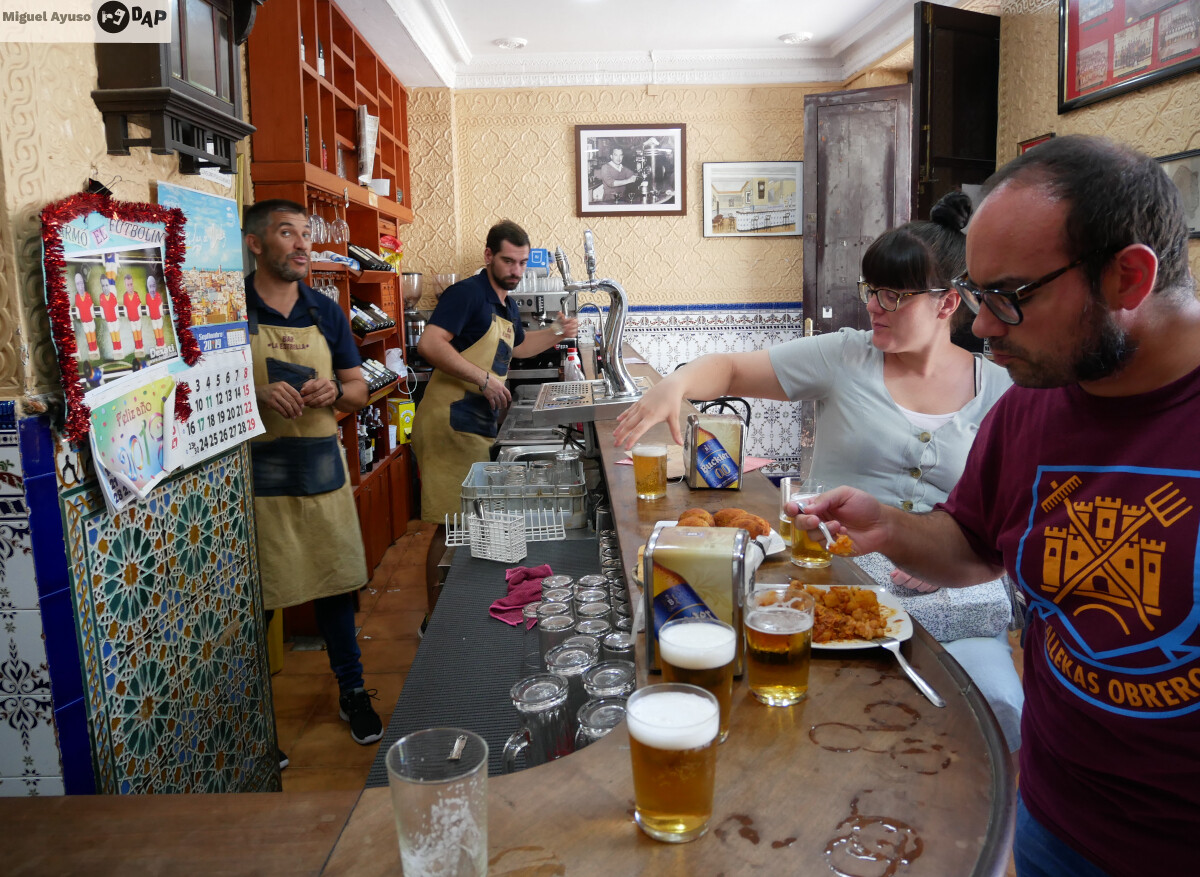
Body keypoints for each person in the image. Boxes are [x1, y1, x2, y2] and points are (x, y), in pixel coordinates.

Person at [799, 136, 1199, 877]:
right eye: (977, 297)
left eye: (1009, 297)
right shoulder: (1031, 408)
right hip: (1050, 823)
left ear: (1129, 277)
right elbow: (974, 542)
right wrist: (890, 526)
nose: (980, 327)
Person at [613, 192, 1024, 752]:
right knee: (829, 726)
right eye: (870, 290)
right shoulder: (847, 356)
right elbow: (731, 367)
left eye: (894, 294)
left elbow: (1014, 515)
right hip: (842, 583)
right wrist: (677, 383)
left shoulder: (1003, 388)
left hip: (958, 598)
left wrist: (947, 559)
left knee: (998, 713)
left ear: (949, 302)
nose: (874, 306)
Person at [243, 198, 382, 755]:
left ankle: (352, 691)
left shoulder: (325, 310)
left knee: (334, 584)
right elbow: (197, 391)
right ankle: (252, 725)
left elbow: (357, 387)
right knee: (259, 599)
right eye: (287, 233)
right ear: (256, 244)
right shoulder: (228, 308)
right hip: (258, 479)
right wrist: (253, 394)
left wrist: (336, 391)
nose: (303, 245)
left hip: (322, 472)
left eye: (305, 234)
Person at [412, 220, 578, 619]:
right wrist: (483, 378)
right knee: (449, 522)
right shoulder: (466, 294)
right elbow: (429, 344)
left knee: (465, 518)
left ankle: (458, 606)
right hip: (448, 419)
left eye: (521, 262)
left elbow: (518, 348)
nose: (516, 270)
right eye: (508, 261)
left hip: (472, 418)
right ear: (488, 256)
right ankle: (434, 619)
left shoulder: (503, 303)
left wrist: (557, 331)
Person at [73, 271, 98, 360]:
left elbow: (91, 306)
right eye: (78, 284)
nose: (80, 286)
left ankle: (95, 349)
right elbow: (77, 309)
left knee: (92, 334)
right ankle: (91, 349)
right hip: (84, 321)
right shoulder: (77, 297)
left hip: (90, 320)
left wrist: (92, 314)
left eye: (81, 283)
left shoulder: (88, 296)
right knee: (88, 335)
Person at [122, 272, 145, 355]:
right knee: (134, 332)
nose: (130, 287)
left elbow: (139, 305)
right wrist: (126, 315)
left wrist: (140, 313)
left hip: (137, 318)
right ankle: (137, 347)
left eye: (131, 284)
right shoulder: (125, 296)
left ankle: (141, 346)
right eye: (128, 285)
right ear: (125, 286)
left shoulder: (136, 294)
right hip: (131, 319)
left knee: (139, 331)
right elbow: (125, 307)